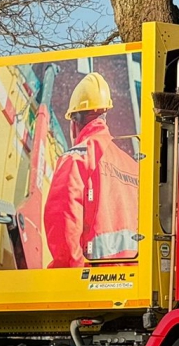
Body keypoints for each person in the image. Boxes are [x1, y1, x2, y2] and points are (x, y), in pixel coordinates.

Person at [43, 72, 140, 268]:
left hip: (95, 286)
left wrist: (71, 274)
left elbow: (64, 222)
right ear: (104, 118)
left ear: (74, 122)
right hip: (134, 283)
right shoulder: (133, 166)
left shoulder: (77, 158)